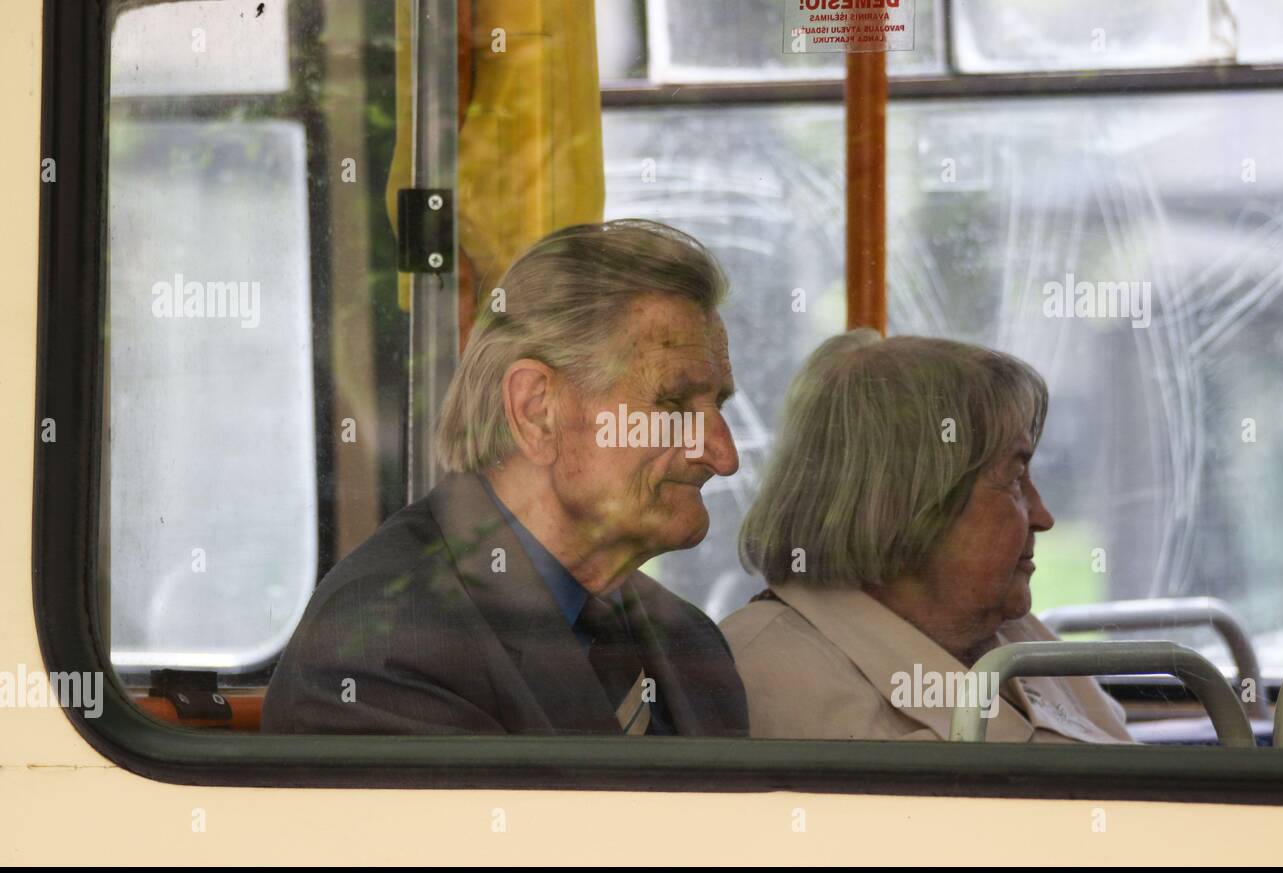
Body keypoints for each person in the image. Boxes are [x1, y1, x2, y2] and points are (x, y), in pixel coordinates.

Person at [263, 220, 748, 736]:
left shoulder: (693, 643)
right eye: (673, 403)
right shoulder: (382, 646)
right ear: (537, 410)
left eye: (716, 406)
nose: (722, 455)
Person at [721, 331, 1132, 743]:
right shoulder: (772, 671)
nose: (1043, 516)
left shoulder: (1017, 633)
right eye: (1014, 477)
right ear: (908, 501)